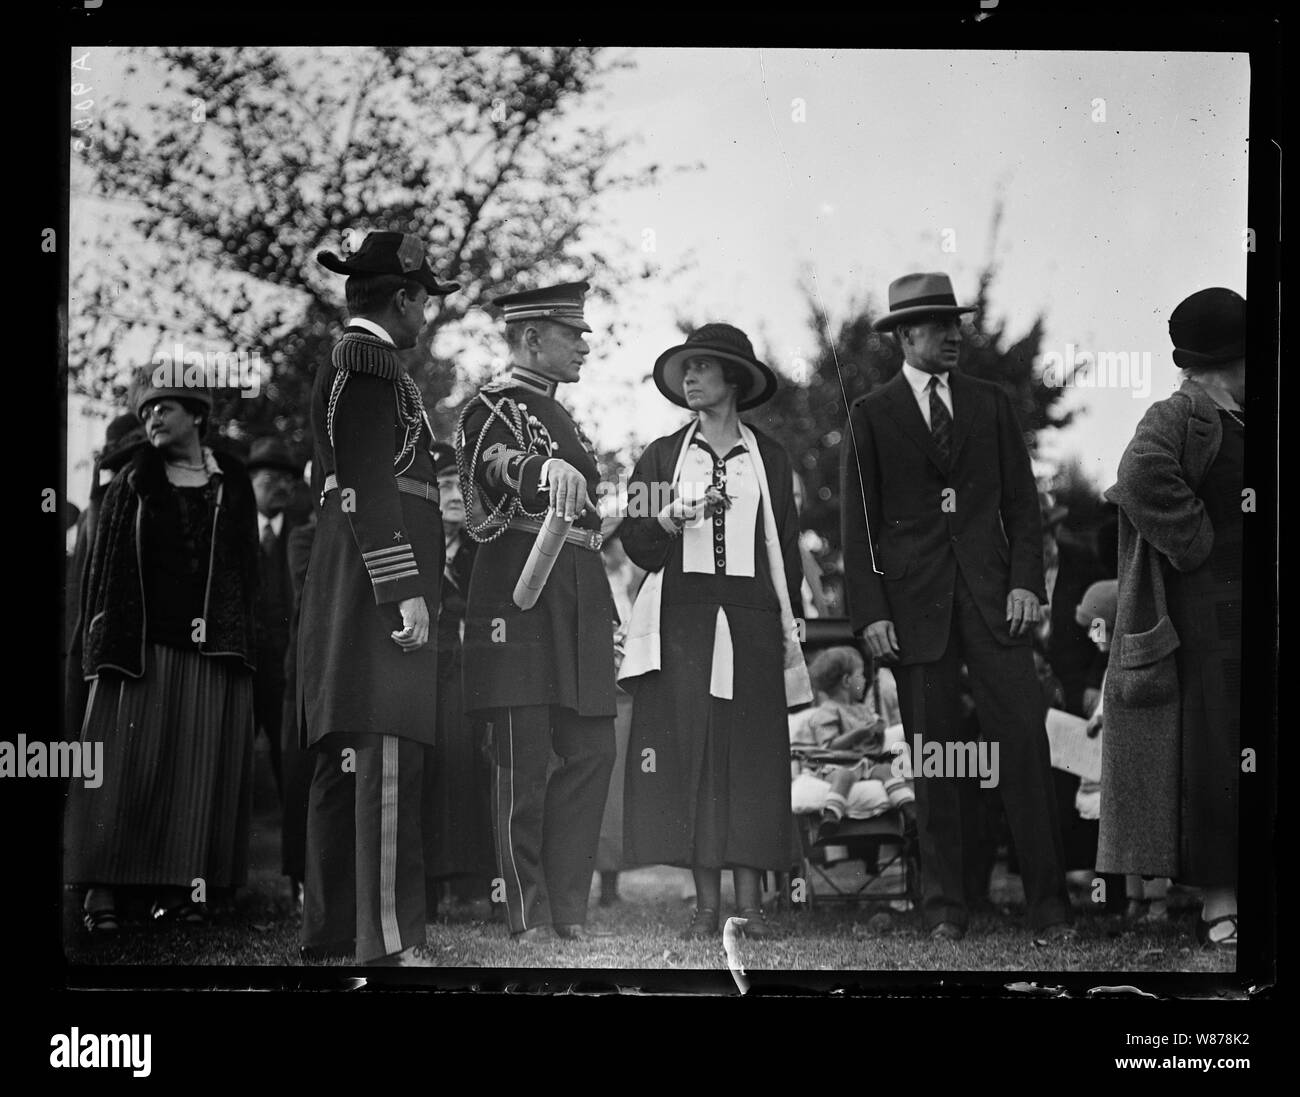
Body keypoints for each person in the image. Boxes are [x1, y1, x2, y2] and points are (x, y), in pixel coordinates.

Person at [840, 272, 1071, 941]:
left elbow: (1024, 507)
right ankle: (944, 909)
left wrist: (1027, 583)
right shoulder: (872, 414)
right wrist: (871, 615)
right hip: (913, 612)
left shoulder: (992, 403)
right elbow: (860, 528)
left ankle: (1051, 908)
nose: (953, 335)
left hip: (998, 604)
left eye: (956, 323)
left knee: (1023, 746)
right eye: (939, 326)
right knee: (936, 761)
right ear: (906, 335)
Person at [619, 323, 811, 940]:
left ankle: (751, 909)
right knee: (696, 756)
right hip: (686, 623)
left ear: (733, 379)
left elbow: (783, 545)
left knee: (752, 759)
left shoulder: (770, 457)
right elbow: (637, 545)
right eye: (686, 369)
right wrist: (670, 520)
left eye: (703, 367)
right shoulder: (661, 455)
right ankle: (706, 909)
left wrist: (791, 618)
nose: (690, 378)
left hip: (753, 622)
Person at [297, 230, 458, 966]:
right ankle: (390, 942)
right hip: (376, 585)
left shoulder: (361, 367)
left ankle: (333, 937)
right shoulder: (369, 365)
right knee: (387, 749)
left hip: (348, 581)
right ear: (400, 299)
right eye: (422, 300)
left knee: (345, 756)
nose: (425, 317)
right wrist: (406, 591)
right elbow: (367, 481)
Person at [64, 376, 259, 934]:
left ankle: (181, 891)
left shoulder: (230, 480)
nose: (152, 419)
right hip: (140, 648)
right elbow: (103, 573)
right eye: (146, 411)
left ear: (196, 416)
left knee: (191, 774)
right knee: (125, 769)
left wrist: (241, 638)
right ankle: (102, 893)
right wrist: (102, 644)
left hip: (209, 650)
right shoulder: (131, 480)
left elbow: (247, 573)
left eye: (164, 409)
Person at [454, 280, 617, 943]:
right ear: (530, 338)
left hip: (575, 597)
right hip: (517, 600)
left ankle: (569, 911)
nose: (583, 346)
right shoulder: (488, 407)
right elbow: (495, 462)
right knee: (522, 764)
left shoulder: (562, 415)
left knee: (593, 749)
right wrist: (540, 473)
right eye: (571, 334)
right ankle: (528, 912)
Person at [1097, 287, 1246, 950]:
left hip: (1253, 613)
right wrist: (1196, 541)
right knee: (1217, 757)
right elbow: (1137, 473)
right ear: (1227, 358)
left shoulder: (1248, 414)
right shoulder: (1184, 412)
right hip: (1208, 621)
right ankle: (1221, 902)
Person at [422, 442, 495, 911]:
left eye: (460, 485)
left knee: (473, 776)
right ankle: (429, 888)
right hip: (427, 679)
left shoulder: (484, 550)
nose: (452, 495)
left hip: (474, 680)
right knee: (429, 775)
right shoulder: (418, 549)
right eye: (443, 484)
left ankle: (475, 886)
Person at [790, 646, 916, 830]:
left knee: (887, 770)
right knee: (844, 776)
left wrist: (877, 731)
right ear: (847, 681)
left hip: (865, 762)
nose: (864, 680)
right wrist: (862, 732)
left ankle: (908, 808)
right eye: (860, 675)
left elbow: (873, 744)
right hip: (836, 765)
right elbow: (829, 745)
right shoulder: (828, 710)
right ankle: (831, 814)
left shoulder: (861, 709)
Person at [247, 437, 305, 799]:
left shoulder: (302, 531)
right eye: (270, 478)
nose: (281, 486)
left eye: (288, 479)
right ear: (250, 482)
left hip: (286, 671)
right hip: (246, 669)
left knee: (291, 766)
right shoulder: (234, 531)